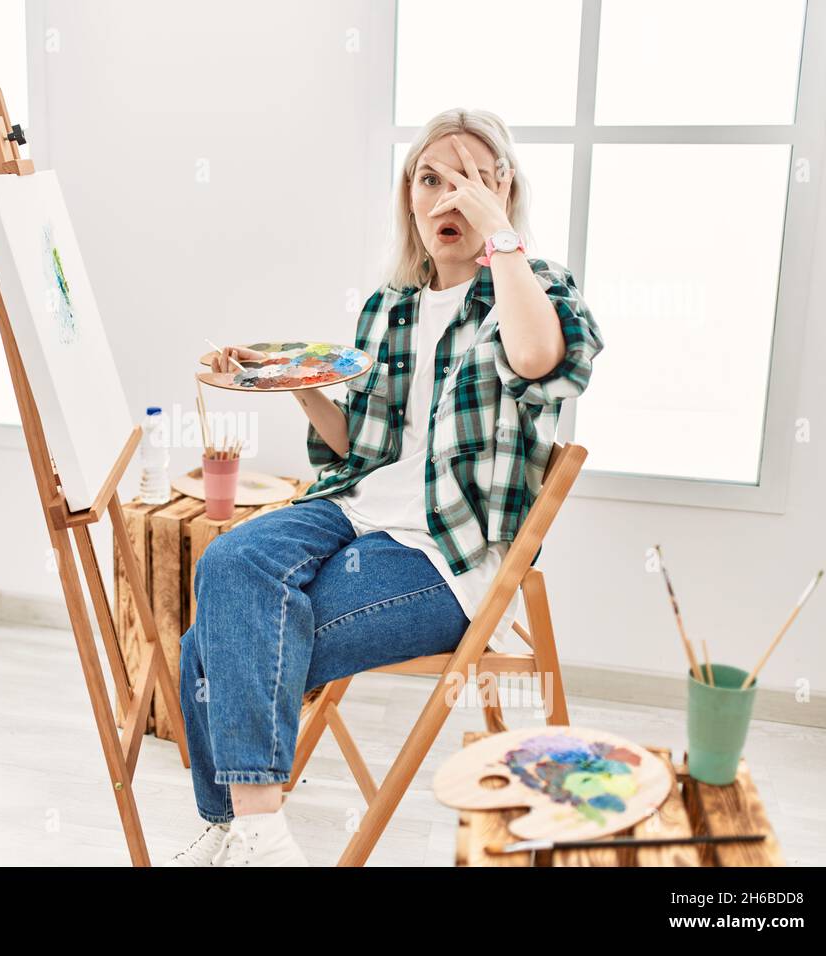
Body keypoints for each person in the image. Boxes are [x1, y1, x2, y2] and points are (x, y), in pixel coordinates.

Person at [165, 108, 604, 866]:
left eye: (469, 178)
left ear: (502, 188)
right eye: (430, 180)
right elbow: (358, 448)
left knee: (213, 645)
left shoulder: (534, 290)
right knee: (228, 564)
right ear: (408, 198)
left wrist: (503, 235)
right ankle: (252, 831)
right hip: (352, 509)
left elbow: (537, 360)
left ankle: (243, 831)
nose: (448, 198)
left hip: (445, 552)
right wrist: (294, 384)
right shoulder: (389, 307)